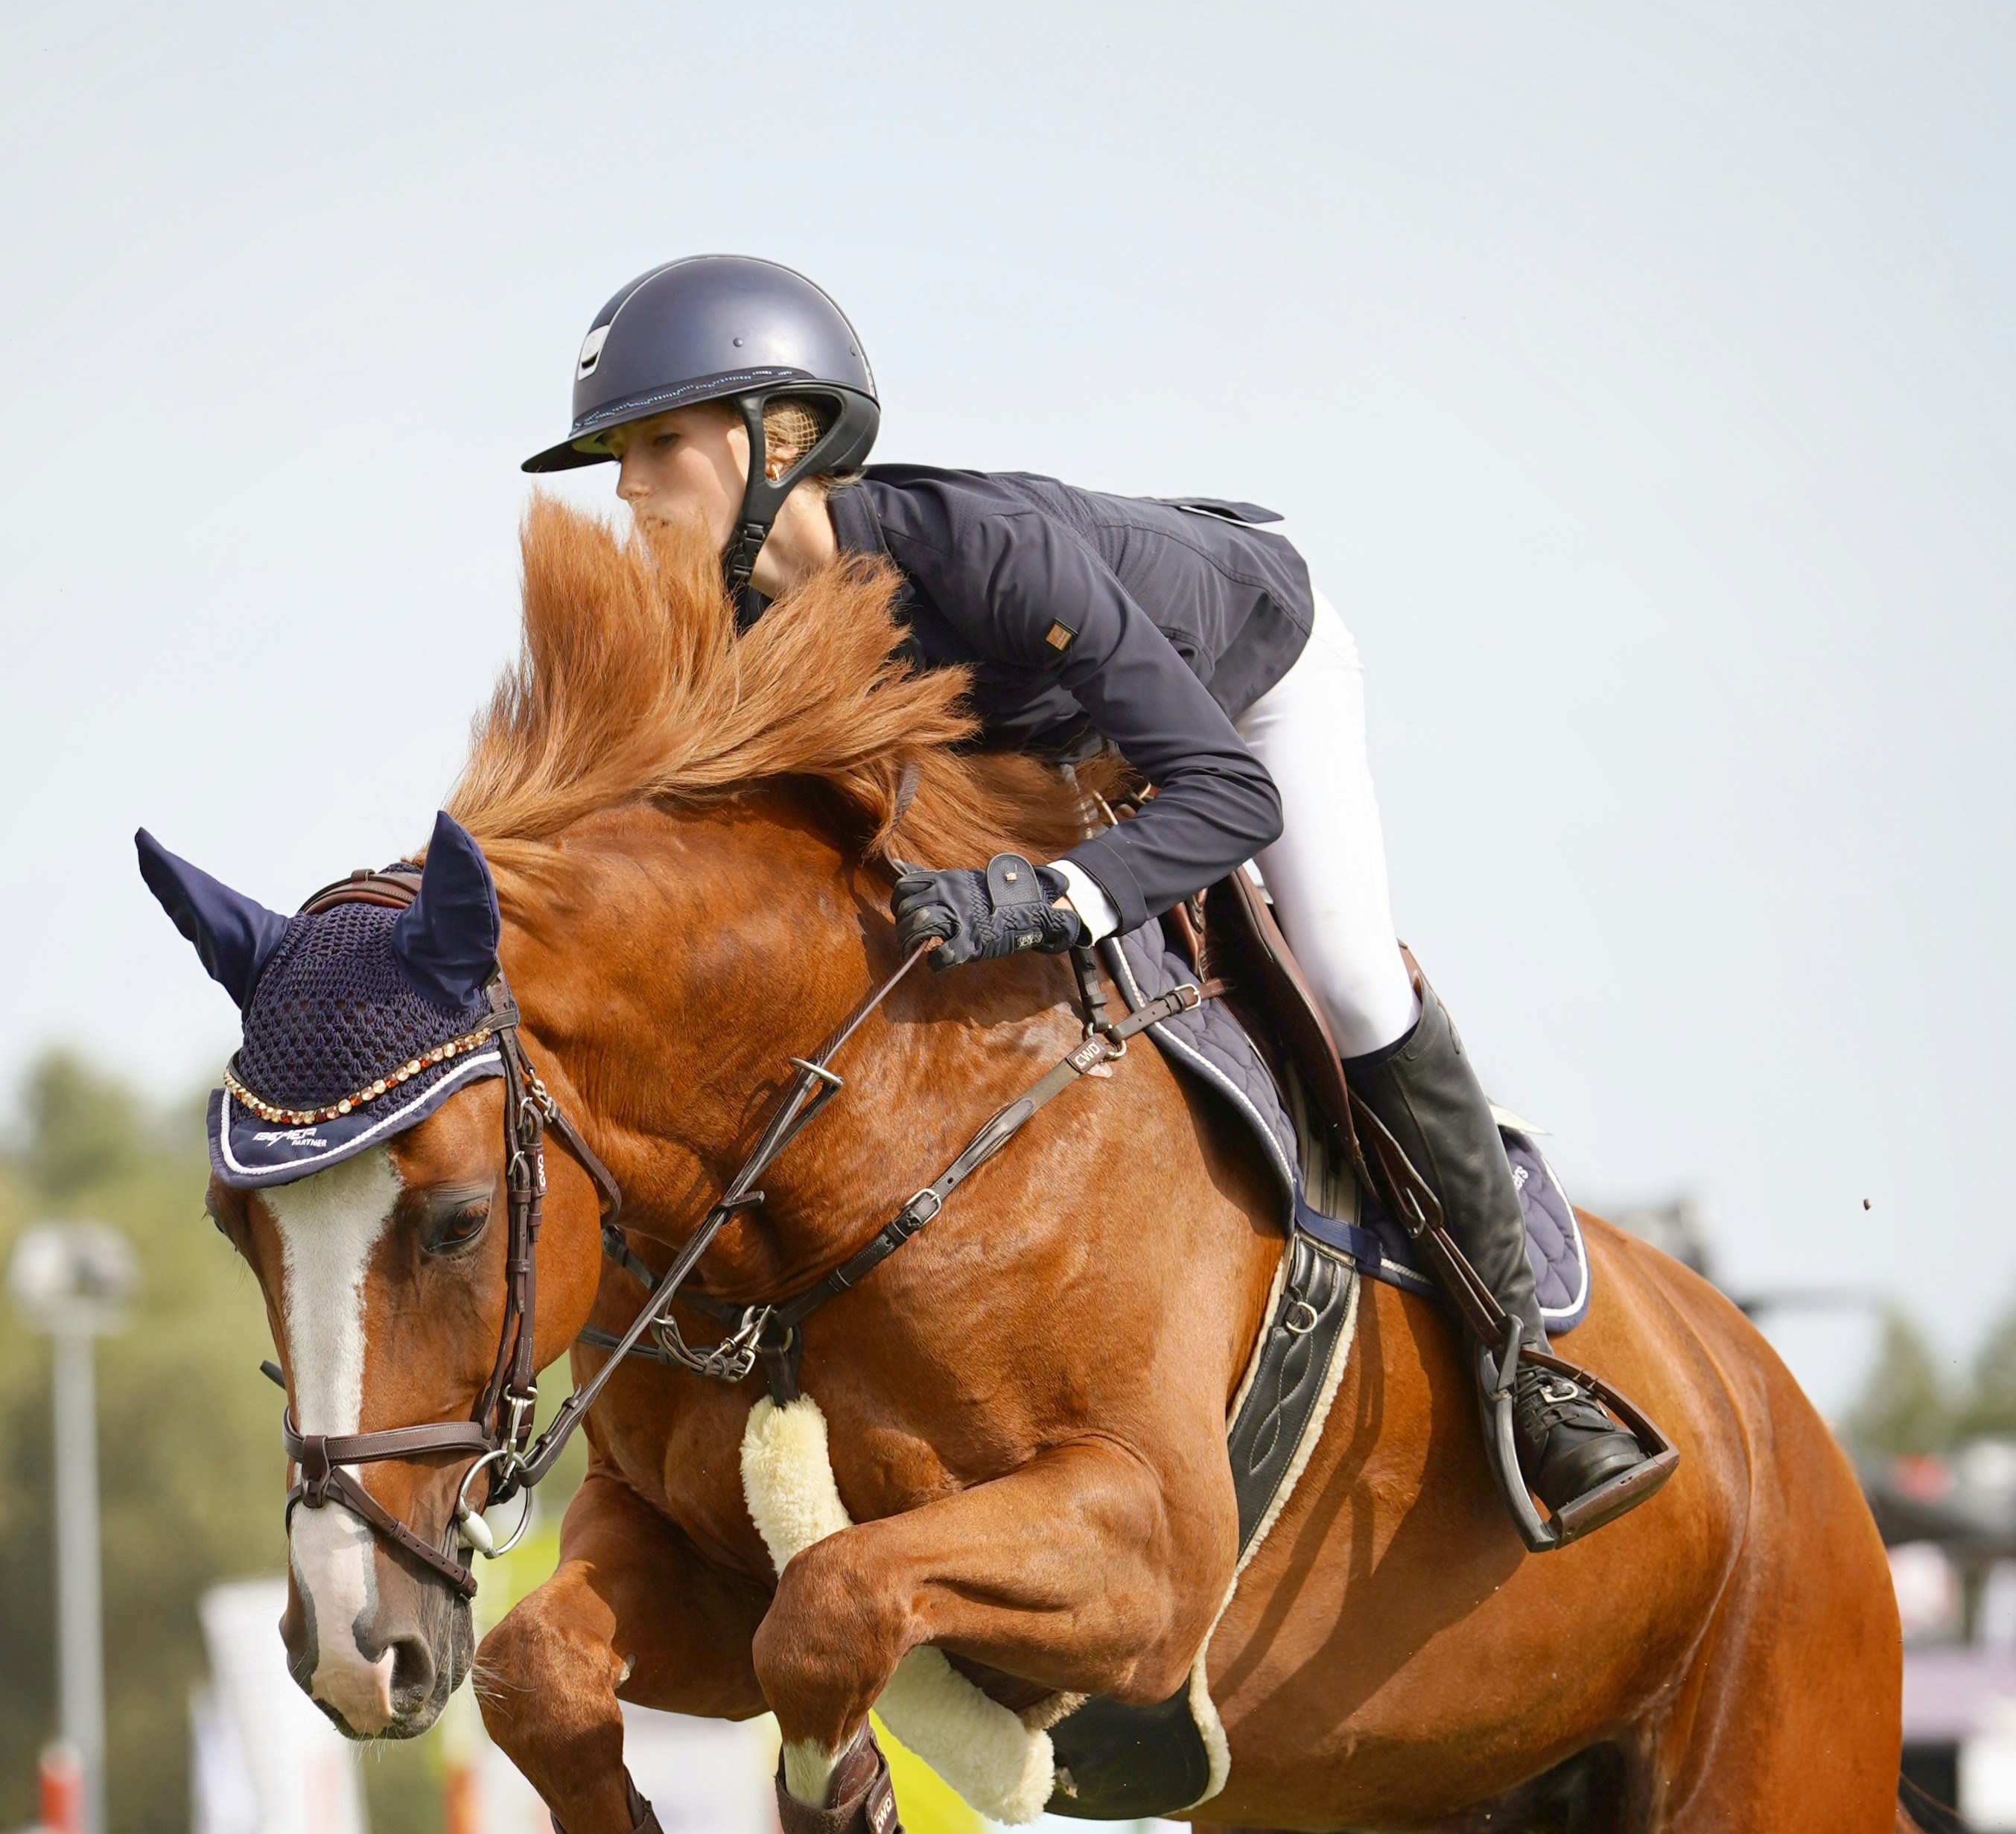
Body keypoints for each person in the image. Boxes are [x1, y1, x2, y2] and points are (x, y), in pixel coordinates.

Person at [522, 257, 1673, 1550]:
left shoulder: (985, 556)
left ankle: (1526, 1373)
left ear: (774, 437)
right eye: (621, 453)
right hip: (1062, 751)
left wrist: (1048, 897)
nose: (627, 488)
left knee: (1346, 976)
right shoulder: (736, 622)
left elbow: (1231, 797)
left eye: (658, 443)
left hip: (1244, 688)